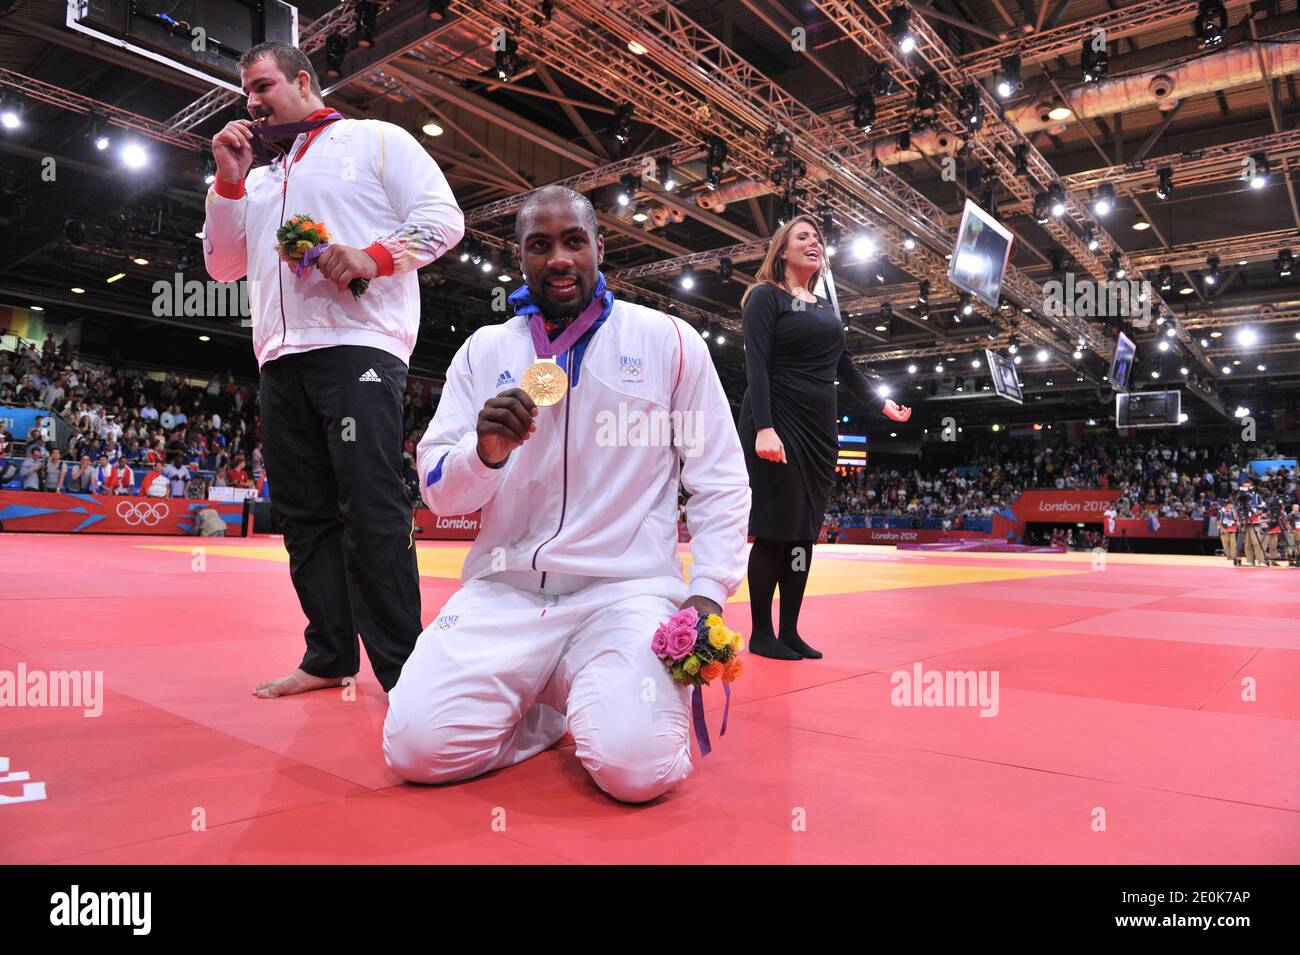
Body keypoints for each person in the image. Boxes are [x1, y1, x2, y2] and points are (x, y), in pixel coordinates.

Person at [383, 186, 749, 803]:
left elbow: (719, 477)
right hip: (505, 591)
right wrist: (485, 455)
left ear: (599, 248)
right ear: (519, 259)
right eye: (540, 245)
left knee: (636, 773)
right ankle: (550, 708)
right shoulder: (484, 352)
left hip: (624, 595)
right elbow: (440, 492)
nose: (559, 258)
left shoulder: (669, 343)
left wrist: (707, 593)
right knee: (415, 751)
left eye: (574, 241)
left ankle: (579, 696)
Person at [203, 40, 465, 698]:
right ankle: (329, 653)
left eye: (262, 86)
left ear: (303, 79)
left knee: (372, 504)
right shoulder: (260, 178)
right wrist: (229, 181)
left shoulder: (375, 141)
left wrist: (373, 256)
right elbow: (222, 266)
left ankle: (407, 668)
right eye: (247, 93)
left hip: (359, 344)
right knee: (302, 512)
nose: (252, 102)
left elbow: (443, 219)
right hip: (280, 358)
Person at [738, 214, 911, 661]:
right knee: (775, 530)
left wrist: (880, 404)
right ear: (782, 251)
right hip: (778, 422)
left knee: (802, 535)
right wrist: (763, 427)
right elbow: (755, 365)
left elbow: (845, 366)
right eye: (802, 237)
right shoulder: (764, 298)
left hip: (819, 431)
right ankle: (761, 632)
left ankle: (790, 630)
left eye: (817, 238)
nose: (813, 243)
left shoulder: (822, 307)